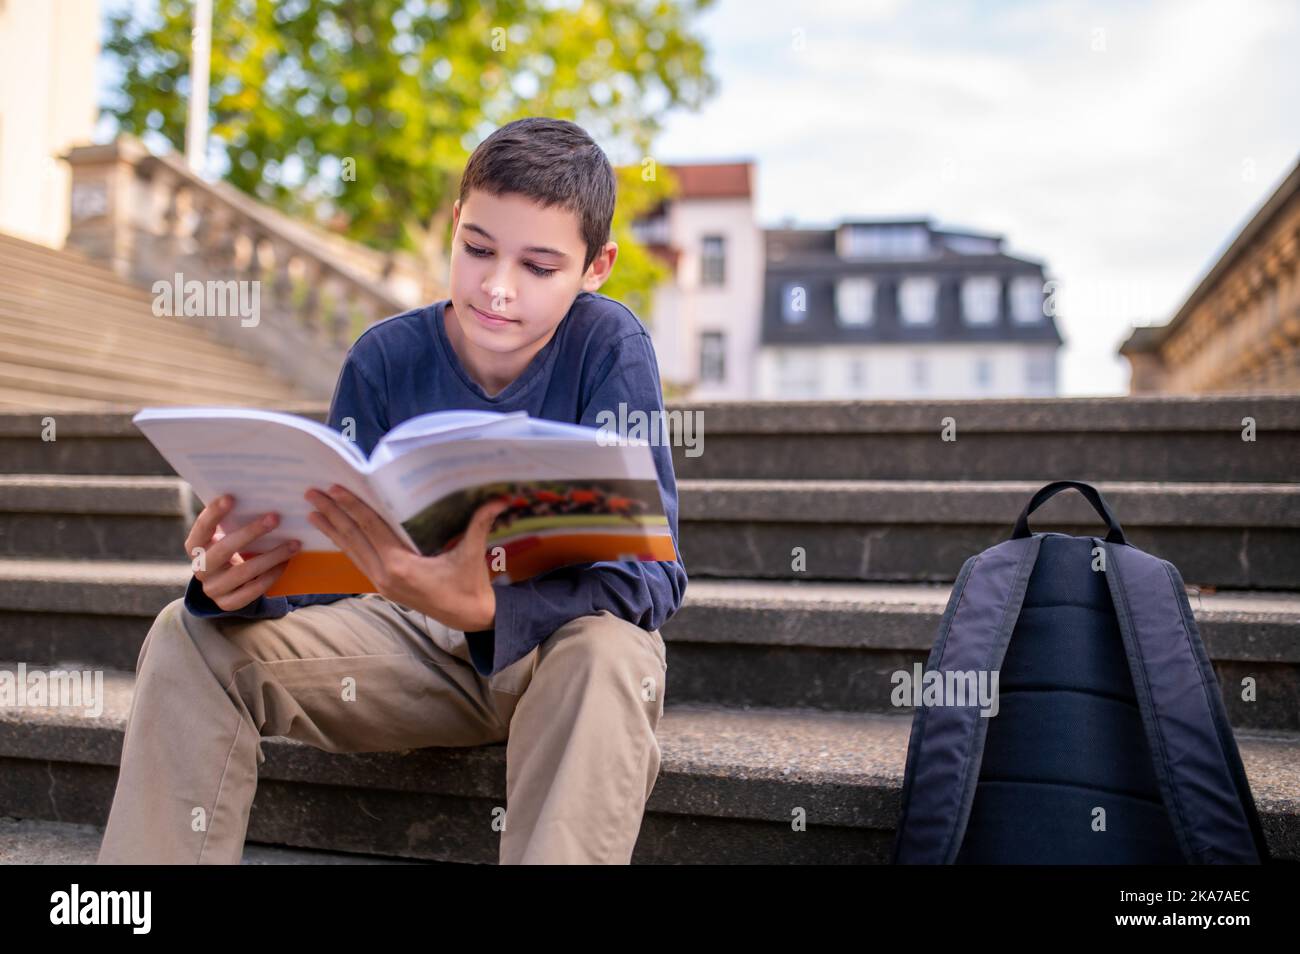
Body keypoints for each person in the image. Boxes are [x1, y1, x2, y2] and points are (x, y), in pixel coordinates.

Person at [95, 117, 687, 865]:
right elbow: (333, 565)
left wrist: (490, 608)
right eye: (476, 250)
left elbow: (653, 578)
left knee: (611, 653)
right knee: (187, 634)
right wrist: (243, 582)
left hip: (559, 658)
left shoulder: (610, 347)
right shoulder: (384, 357)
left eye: (539, 267)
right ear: (454, 226)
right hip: (413, 646)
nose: (498, 289)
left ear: (594, 267)